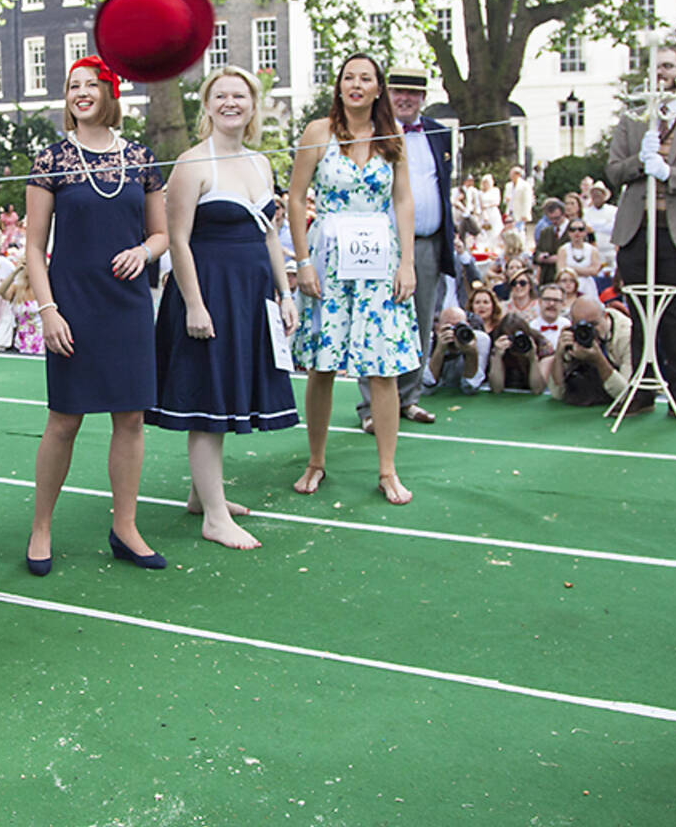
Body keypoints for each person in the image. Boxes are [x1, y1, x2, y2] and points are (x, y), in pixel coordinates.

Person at [23, 56, 168, 574]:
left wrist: (145, 254)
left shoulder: (140, 159)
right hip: (72, 304)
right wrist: (48, 311)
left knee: (130, 416)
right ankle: (41, 527)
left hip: (126, 305)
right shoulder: (51, 160)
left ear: (110, 93)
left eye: (91, 84)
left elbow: (161, 233)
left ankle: (125, 527)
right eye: (72, 86)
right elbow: (34, 246)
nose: (80, 92)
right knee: (64, 419)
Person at [148, 65, 298, 551]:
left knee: (228, 393)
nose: (231, 103)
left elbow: (270, 233)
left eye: (240, 95)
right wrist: (194, 303)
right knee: (208, 402)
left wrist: (285, 292)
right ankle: (214, 515)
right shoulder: (192, 163)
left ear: (253, 106)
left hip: (251, 296)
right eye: (221, 95)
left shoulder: (261, 163)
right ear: (207, 105)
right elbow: (179, 240)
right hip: (208, 293)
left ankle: (201, 494)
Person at [288, 53, 420, 505]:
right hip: (328, 256)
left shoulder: (391, 135)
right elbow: (296, 196)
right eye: (349, 78)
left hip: (379, 259)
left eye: (366, 78)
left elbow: (403, 200)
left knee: (381, 367)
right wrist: (303, 261)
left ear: (378, 88)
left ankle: (387, 469)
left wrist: (407, 263)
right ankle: (316, 462)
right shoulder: (317, 133)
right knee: (323, 364)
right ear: (339, 86)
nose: (356, 85)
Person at [603, 45, 676, 426]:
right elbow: (614, 172)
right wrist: (641, 160)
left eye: (669, 66)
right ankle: (640, 392)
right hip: (638, 230)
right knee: (639, 310)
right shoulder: (632, 120)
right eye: (655, 67)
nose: (662, 73)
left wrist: (670, 173)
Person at [350, 65, 451, 433]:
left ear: (424, 97)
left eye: (414, 93)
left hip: (427, 243)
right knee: (373, 321)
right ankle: (370, 407)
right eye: (399, 92)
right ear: (386, 95)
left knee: (421, 321)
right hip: (379, 245)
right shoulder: (371, 133)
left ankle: (409, 399)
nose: (406, 99)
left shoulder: (440, 135)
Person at [548, 295, 634, 406]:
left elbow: (626, 395)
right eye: (581, 325)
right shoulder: (573, 335)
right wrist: (559, 355)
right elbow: (557, 394)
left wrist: (599, 360)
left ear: (606, 316)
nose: (589, 331)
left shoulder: (626, 335)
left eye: (593, 324)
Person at [420, 305, 488, 396]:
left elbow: (471, 387)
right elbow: (427, 386)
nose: (455, 331)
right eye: (449, 327)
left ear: (468, 325)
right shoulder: (428, 340)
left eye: (459, 326)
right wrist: (440, 350)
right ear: (438, 328)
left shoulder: (480, 339)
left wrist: (471, 352)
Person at [503, 164, 534, 237]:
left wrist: (525, 214)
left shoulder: (525, 185)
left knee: (519, 231)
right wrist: (506, 199)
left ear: (517, 175)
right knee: (509, 231)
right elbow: (505, 198)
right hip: (510, 211)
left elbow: (527, 201)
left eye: (512, 174)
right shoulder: (508, 185)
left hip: (519, 212)